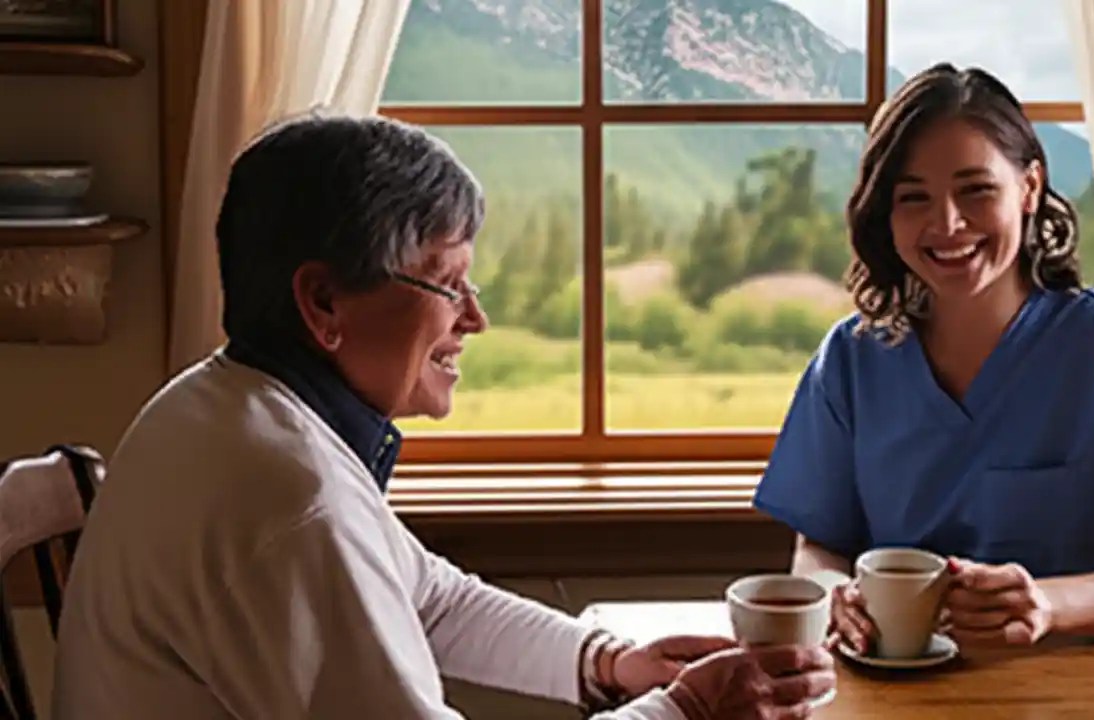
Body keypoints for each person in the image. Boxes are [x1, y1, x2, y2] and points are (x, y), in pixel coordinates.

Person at [52, 114, 835, 720]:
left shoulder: (225, 404)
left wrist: (612, 663)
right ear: (324, 301)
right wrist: (688, 706)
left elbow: (431, 598)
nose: (476, 319)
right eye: (448, 283)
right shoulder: (288, 495)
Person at [752, 64, 1094, 655]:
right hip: (902, 696)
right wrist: (835, 592)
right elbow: (820, 548)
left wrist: (1049, 604)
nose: (948, 224)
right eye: (914, 198)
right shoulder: (851, 361)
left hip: (1079, 690)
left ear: (1029, 188)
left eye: (976, 190)